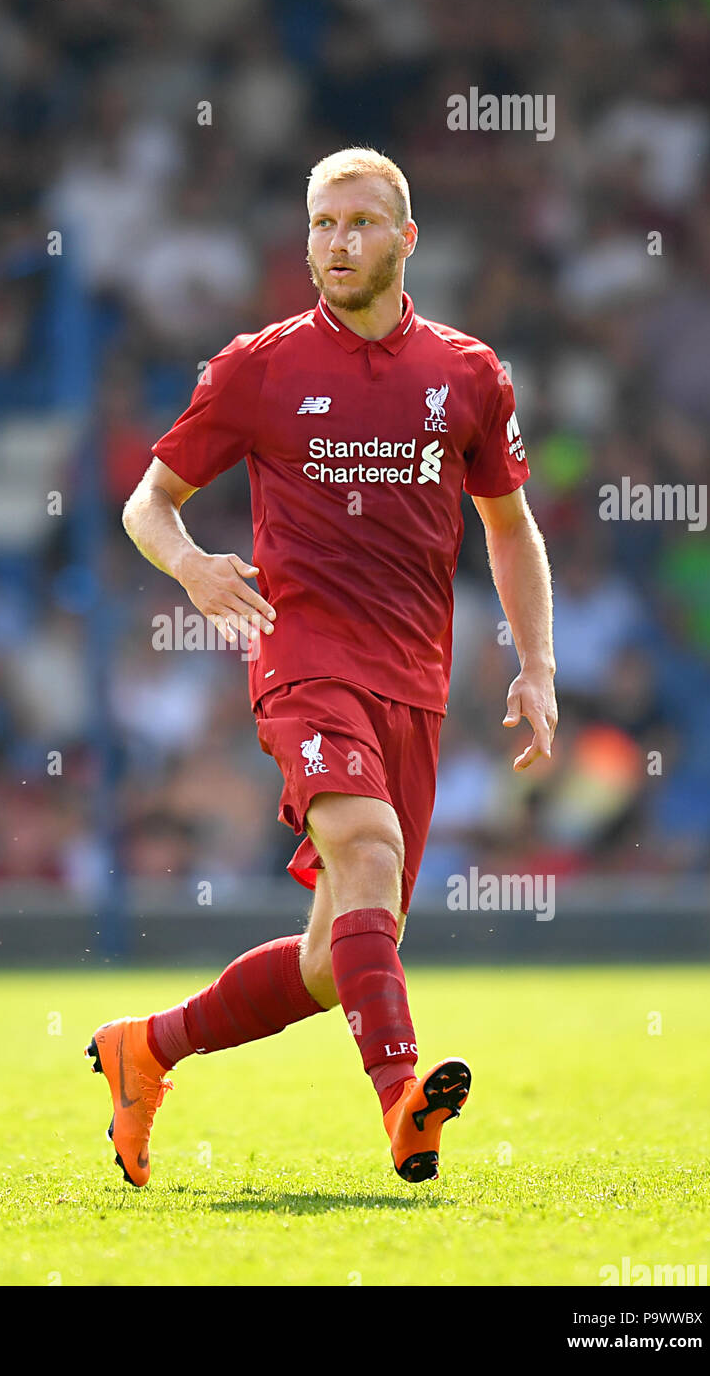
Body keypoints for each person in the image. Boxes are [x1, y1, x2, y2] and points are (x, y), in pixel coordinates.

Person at [87, 147, 557, 1186]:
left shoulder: (468, 374)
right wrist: (195, 567)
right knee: (365, 838)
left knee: (334, 950)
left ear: (405, 239)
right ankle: (402, 1105)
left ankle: (144, 1048)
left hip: (415, 682)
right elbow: (145, 502)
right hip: (302, 657)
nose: (335, 243)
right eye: (319, 225)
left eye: (356, 223)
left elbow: (510, 528)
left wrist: (535, 666)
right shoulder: (258, 366)